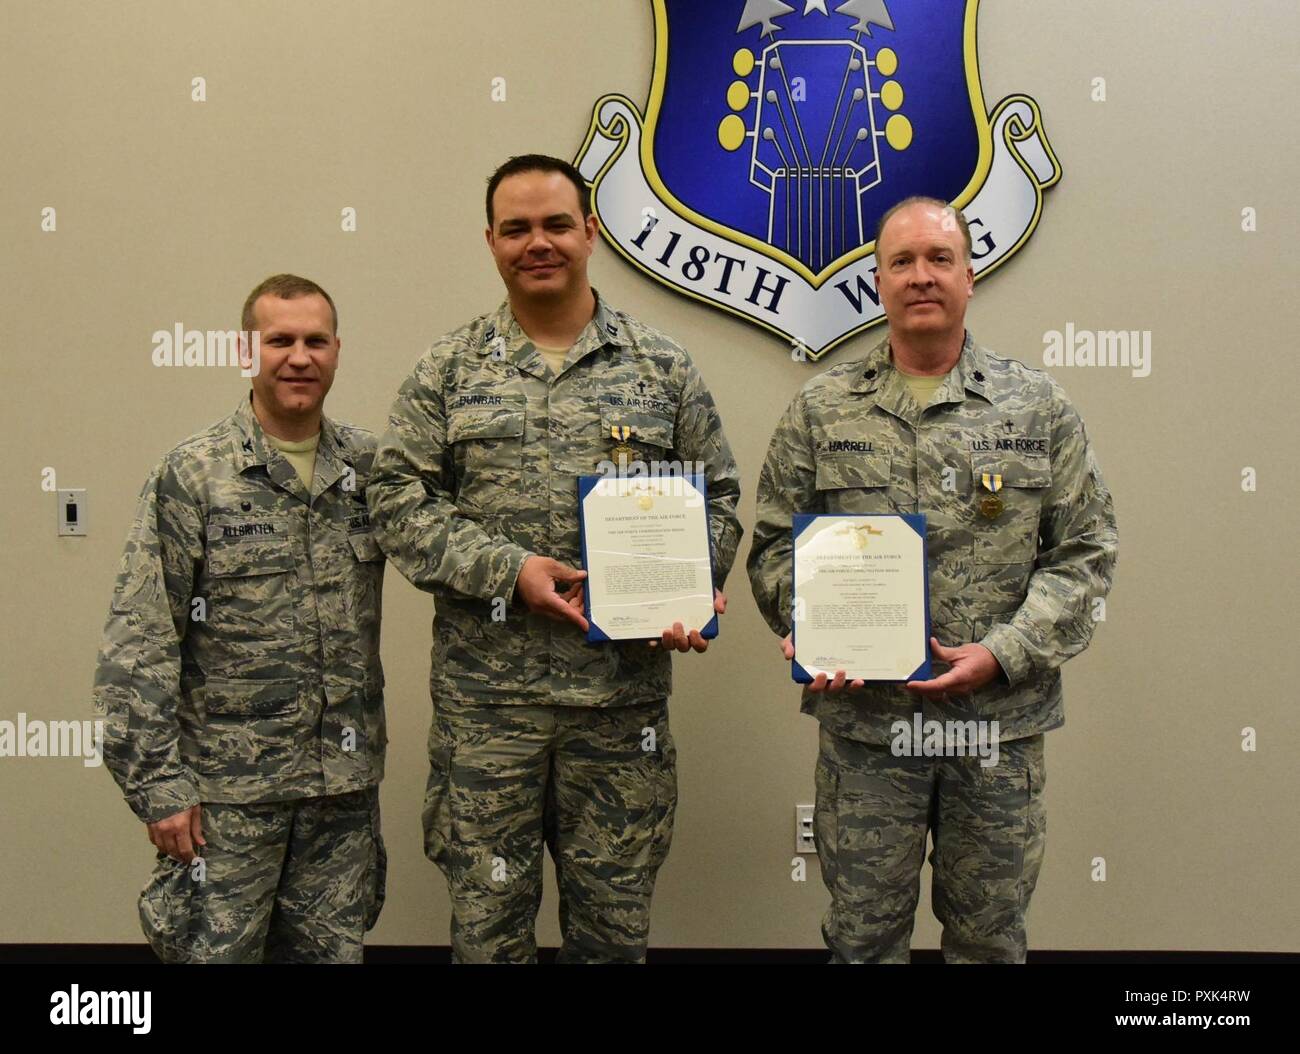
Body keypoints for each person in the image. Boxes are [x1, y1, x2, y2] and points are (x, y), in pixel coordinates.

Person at [368, 154, 742, 963]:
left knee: (612, 938)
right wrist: (509, 570)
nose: (538, 243)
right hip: (488, 717)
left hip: (619, 713)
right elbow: (396, 504)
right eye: (517, 228)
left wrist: (691, 588)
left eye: (556, 224)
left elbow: (718, 500)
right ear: (491, 241)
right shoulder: (448, 370)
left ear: (590, 233)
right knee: (488, 938)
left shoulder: (662, 368)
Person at [747, 197, 1118, 963]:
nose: (922, 276)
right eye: (903, 261)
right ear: (877, 281)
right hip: (867, 731)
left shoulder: (1037, 407)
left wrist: (1007, 651)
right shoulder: (821, 409)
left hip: (995, 726)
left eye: (939, 259)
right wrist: (807, 619)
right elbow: (774, 546)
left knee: (988, 940)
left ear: (969, 277)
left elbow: (1084, 553)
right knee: (862, 938)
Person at [92, 274, 387, 963]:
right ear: (244, 351)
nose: (299, 357)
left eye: (315, 341)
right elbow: (139, 640)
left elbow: (452, 551)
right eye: (279, 340)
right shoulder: (193, 475)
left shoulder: (373, 472)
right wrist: (157, 786)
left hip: (340, 799)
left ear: (337, 351)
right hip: (225, 803)